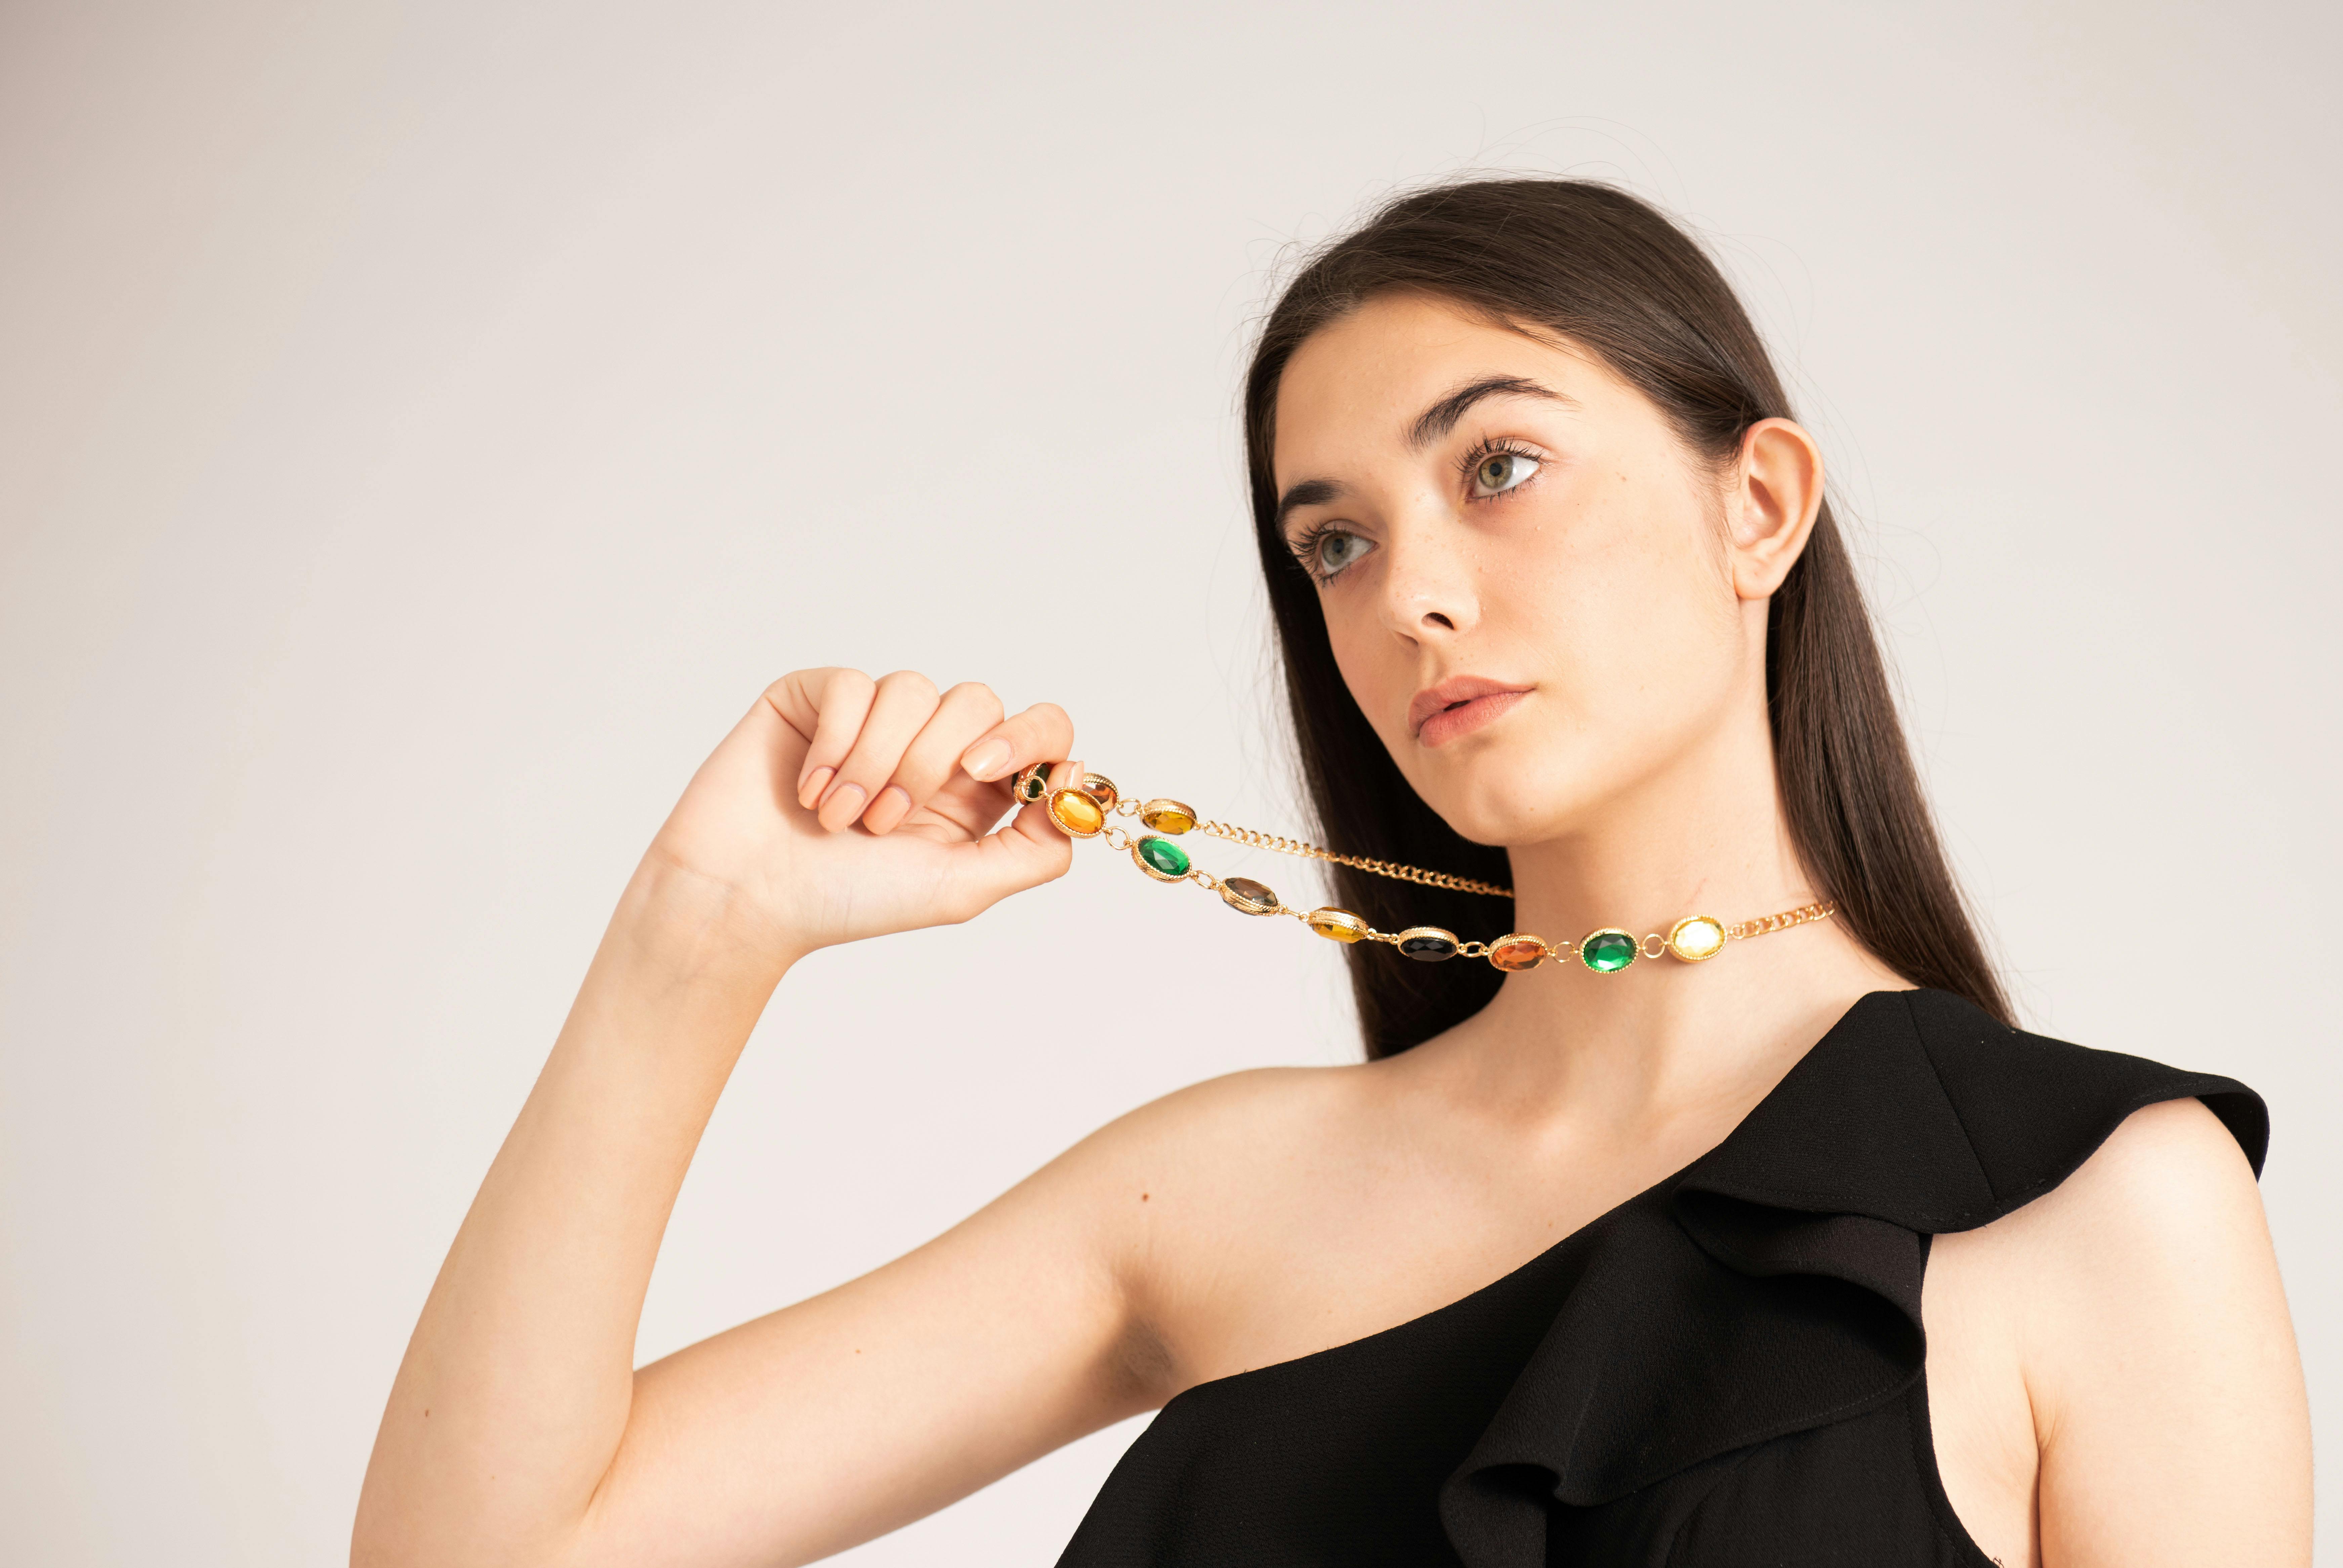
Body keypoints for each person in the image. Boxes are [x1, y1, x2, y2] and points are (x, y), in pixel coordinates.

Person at [351, 180, 2311, 1568]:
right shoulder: (1219, 1197)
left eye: (1499, 467)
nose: (1419, 595)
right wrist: (703, 932)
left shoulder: (2103, 1214)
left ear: (1760, 503)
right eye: (1336, 542)